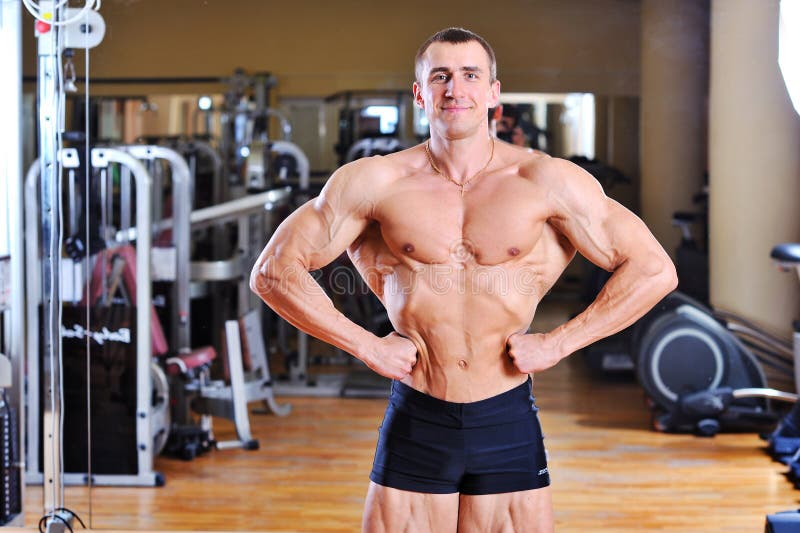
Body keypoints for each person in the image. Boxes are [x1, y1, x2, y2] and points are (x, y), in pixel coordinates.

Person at [250, 27, 677, 533]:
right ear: (420, 93)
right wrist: (367, 347)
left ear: (494, 92)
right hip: (419, 409)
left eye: (470, 75)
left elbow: (653, 270)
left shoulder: (547, 181)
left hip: (506, 413)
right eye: (440, 76)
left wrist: (560, 344)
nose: (455, 89)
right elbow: (273, 271)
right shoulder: (374, 182)